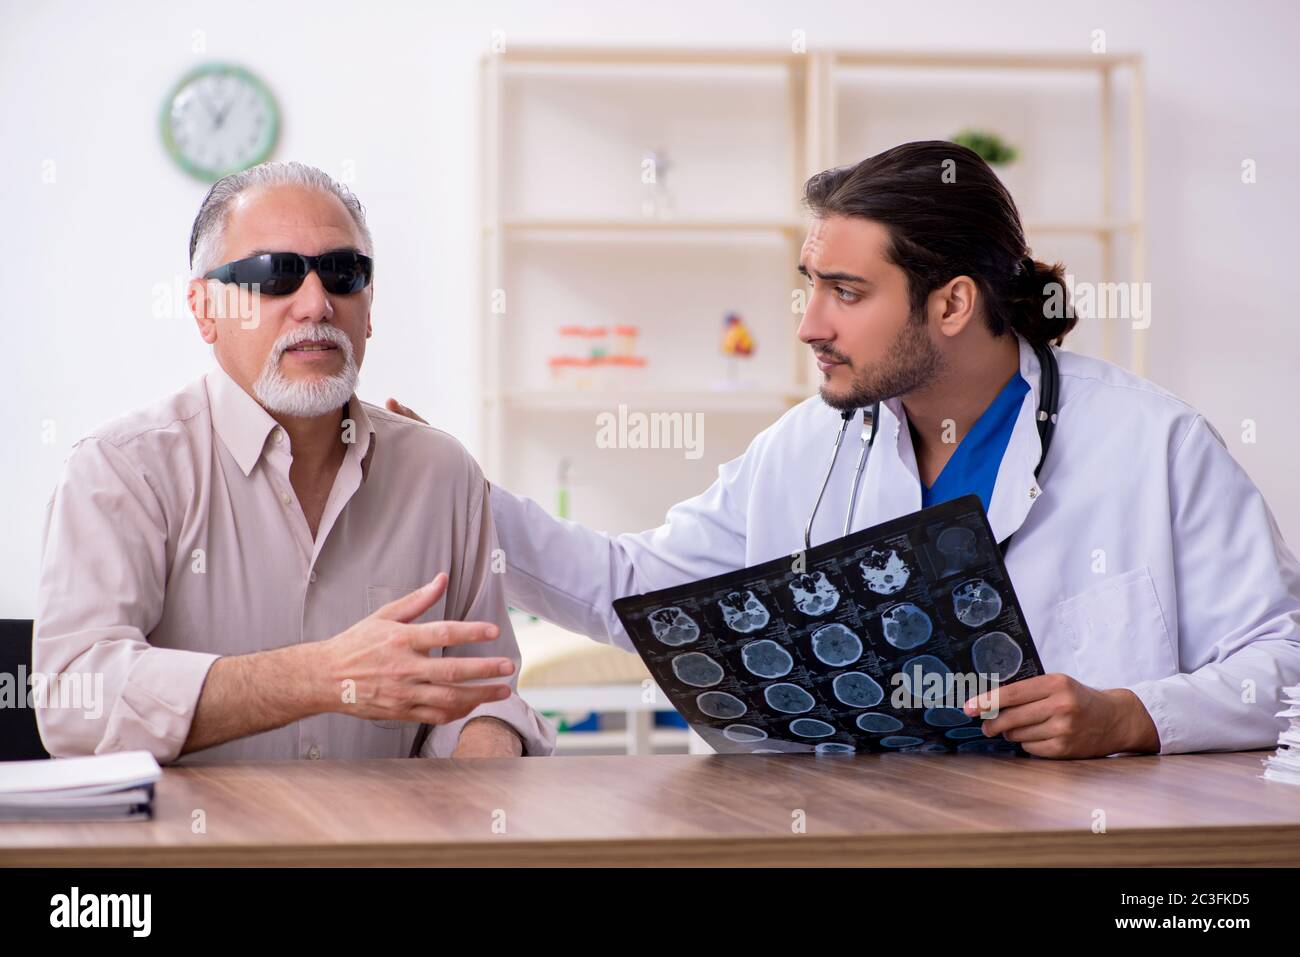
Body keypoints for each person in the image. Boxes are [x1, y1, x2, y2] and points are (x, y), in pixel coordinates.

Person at [394, 140, 1300, 758]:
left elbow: (1284, 665)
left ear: (950, 304)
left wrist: (1131, 714)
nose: (811, 324)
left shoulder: (1154, 443)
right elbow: (643, 589)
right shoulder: (812, 441)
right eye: (809, 287)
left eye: (846, 291)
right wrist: (453, 488)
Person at [35, 161, 555, 763]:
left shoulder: (442, 474)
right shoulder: (122, 471)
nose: (315, 304)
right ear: (204, 309)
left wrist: (484, 746)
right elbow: (76, 700)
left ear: (369, 304)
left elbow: (479, 692)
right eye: (273, 275)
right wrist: (321, 677)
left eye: (342, 273)